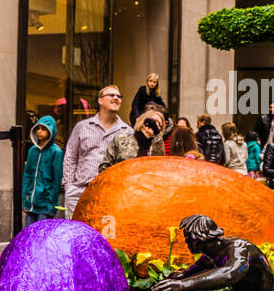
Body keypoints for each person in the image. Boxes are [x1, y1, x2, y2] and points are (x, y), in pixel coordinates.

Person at [62, 85, 130, 218]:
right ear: (100, 100)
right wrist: (69, 186)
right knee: (75, 234)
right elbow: (70, 156)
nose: (116, 98)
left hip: (109, 194)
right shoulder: (82, 127)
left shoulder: (127, 132)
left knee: (103, 236)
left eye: (119, 96)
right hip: (79, 191)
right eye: (111, 95)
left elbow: (127, 166)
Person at [22, 115, 64, 225]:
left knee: (42, 237)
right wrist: (24, 198)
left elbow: (56, 180)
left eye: (44, 129)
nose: (39, 131)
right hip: (31, 204)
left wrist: (51, 204)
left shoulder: (56, 152)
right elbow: (27, 174)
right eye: (38, 128)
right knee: (29, 236)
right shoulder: (32, 151)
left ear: (51, 131)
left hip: (45, 205)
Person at [99, 110, 166, 169]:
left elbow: (159, 166)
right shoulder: (121, 140)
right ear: (143, 122)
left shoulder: (157, 146)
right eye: (153, 121)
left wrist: (157, 135)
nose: (155, 125)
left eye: (159, 125)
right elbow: (104, 166)